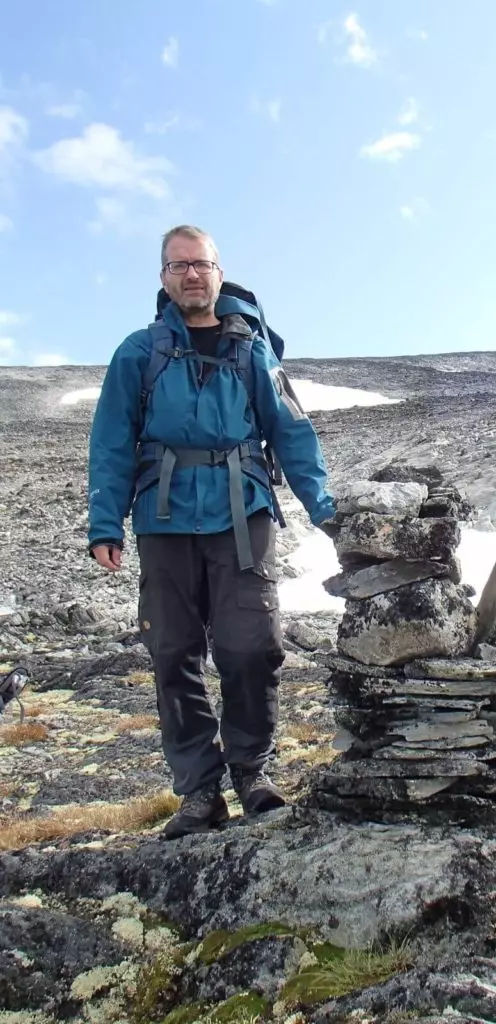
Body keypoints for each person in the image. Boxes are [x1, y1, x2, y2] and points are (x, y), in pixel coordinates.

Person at [87, 224, 336, 839]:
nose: (191, 274)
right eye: (179, 266)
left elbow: (291, 431)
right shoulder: (137, 352)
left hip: (240, 511)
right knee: (172, 652)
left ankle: (253, 772)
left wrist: (325, 507)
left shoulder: (253, 349)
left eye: (201, 264)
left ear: (219, 274)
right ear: (164, 278)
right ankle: (199, 792)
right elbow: (111, 440)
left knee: (251, 644)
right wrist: (104, 521)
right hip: (163, 517)